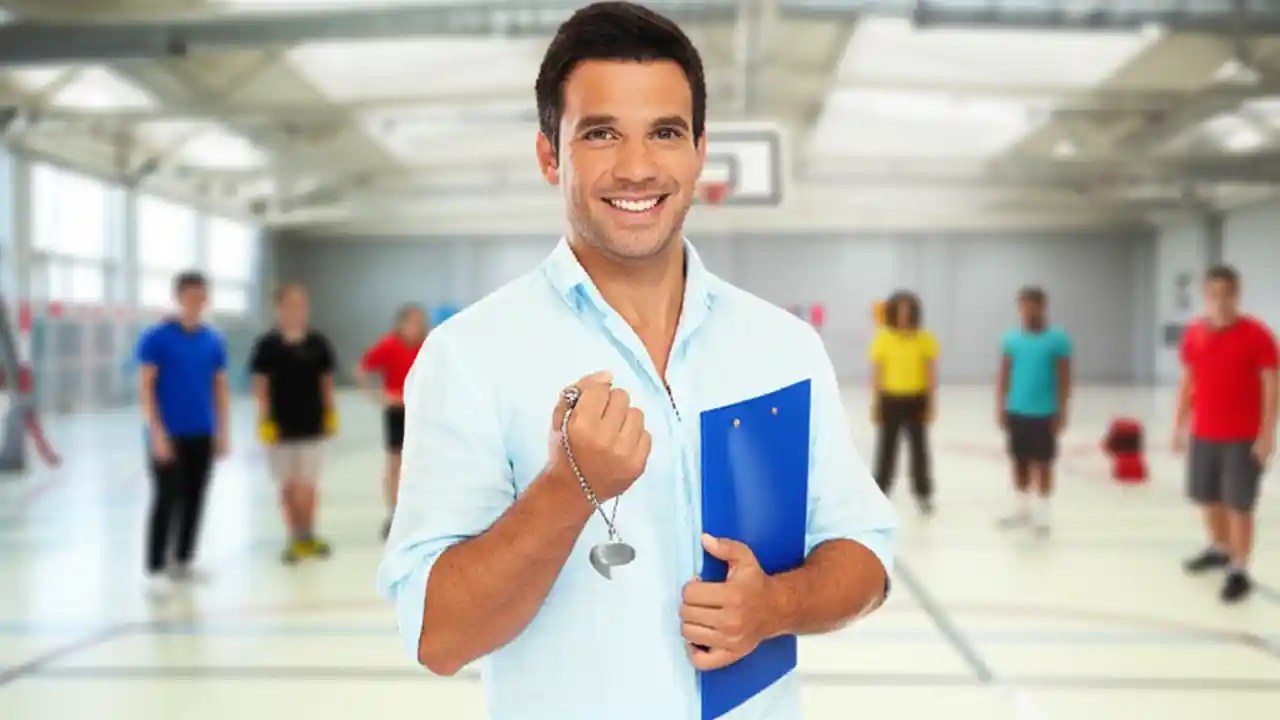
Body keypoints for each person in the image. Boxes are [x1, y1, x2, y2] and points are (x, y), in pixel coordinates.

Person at [375, 4, 897, 718]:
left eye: (665, 132)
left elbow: (865, 555)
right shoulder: (469, 357)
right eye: (600, 134)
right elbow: (439, 637)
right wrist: (567, 490)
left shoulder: (782, 348)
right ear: (549, 155)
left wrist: (775, 604)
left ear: (699, 150)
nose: (637, 167)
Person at [1174, 265, 1277, 603]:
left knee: (1239, 504)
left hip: (1241, 436)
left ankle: (1239, 570)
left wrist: (1266, 435)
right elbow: (1189, 381)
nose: (1220, 302)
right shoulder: (1194, 333)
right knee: (1208, 497)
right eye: (1213, 294)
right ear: (1205, 296)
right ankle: (1219, 548)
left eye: (1226, 294)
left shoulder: (1257, 334)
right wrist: (1179, 424)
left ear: (1237, 294)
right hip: (1204, 432)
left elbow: (1271, 384)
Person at [135, 271, 228, 599]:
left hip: (201, 431)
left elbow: (219, 387)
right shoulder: (156, 338)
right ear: (178, 298)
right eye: (190, 296)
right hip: (168, 433)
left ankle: (184, 559)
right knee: (166, 498)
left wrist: (222, 430)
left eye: (201, 297)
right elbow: (146, 388)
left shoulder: (213, 340)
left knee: (195, 497)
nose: (196, 302)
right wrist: (155, 433)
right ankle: (157, 566)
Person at [249, 284, 339, 564]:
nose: (297, 310)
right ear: (279, 307)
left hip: (312, 424)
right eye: (290, 304)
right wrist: (264, 419)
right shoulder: (267, 345)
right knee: (288, 486)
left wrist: (330, 413)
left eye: (301, 304)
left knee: (309, 485)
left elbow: (326, 382)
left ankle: (309, 535)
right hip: (281, 427)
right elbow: (260, 385)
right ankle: (294, 537)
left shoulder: (318, 343)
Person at [996, 286, 1071, 537]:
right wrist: (1001, 405)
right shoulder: (1011, 340)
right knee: (1019, 462)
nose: (1028, 311)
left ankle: (1043, 515)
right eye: (1023, 306)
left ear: (1042, 307)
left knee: (1044, 463)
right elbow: (1004, 375)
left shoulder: (1058, 340)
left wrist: (1062, 410)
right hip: (1017, 410)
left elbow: (1064, 377)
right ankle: (1021, 510)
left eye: (1032, 306)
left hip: (1045, 412)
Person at [356, 304, 427, 539]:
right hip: (397, 411)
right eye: (412, 322)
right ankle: (395, 512)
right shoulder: (389, 345)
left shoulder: (427, 346)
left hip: (421, 411)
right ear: (401, 323)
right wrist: (379, 396)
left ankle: (419, 512)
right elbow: (362, 368)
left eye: (420, 322)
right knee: (395, 462)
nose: (416, 327)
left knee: (420, 462)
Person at [869, 290, 939, 515]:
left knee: (920, 450)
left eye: (908, 312)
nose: (904, 317)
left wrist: (931, 402)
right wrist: (876, 403)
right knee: (886, 449)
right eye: (899, 312)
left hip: (916, 399)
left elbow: (930, 373)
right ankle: (880, 494)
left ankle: (923, 494)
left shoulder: (924, 338)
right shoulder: (883, 338)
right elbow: (877, 374)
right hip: (890, 399)